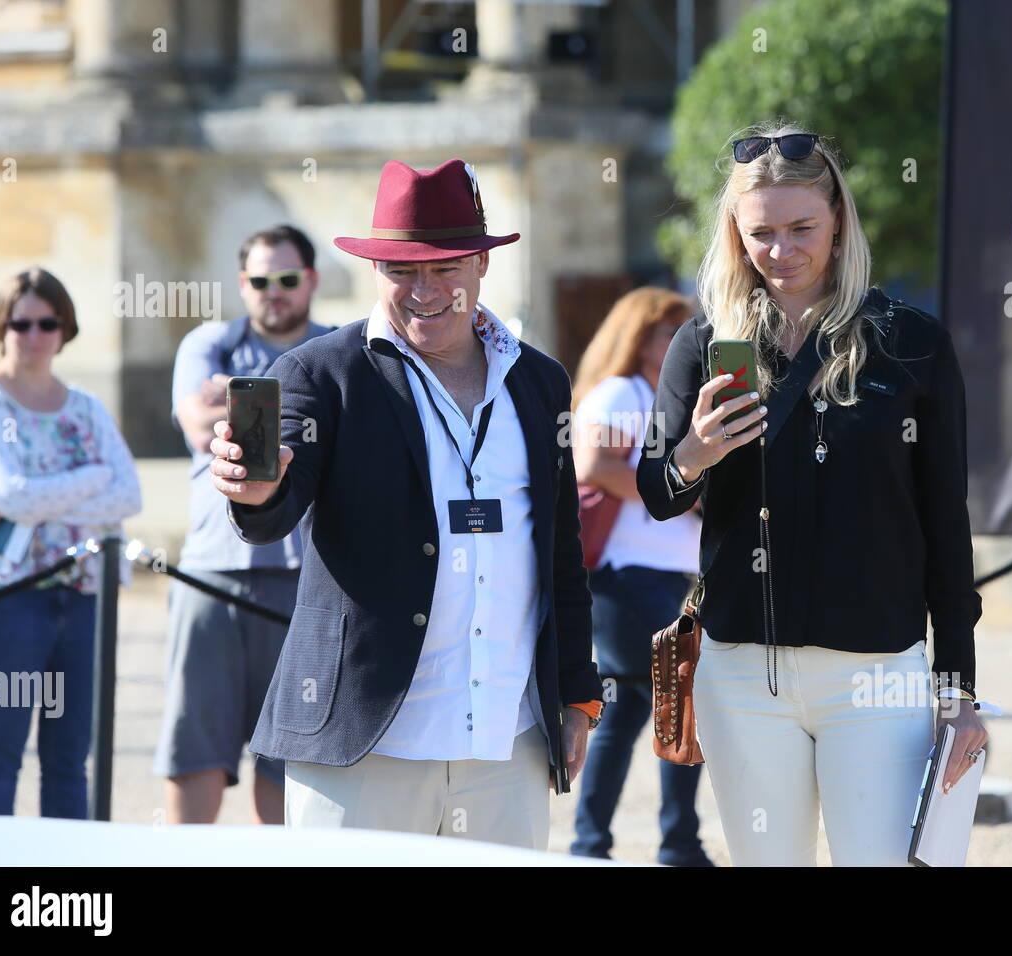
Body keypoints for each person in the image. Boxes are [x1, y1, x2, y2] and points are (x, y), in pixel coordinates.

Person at [208, 158, 603, 848]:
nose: (424, 290)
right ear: (375, 272)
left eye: (445, 268)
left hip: (504, 740)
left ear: (481, 263)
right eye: (401, 271)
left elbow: (559, 553)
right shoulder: (319, 373)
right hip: (364, 742)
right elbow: (272, 510)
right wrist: (256, 488)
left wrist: (576, 692)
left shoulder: (539, 380)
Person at [637, 122, 987, 866]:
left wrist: (958, 690)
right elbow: (657, 492)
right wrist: (695, 451)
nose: (782, 251)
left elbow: (945, 525)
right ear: (735, 232)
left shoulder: (911, 342)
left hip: (878, 674)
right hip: (741, 675)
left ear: (839, 224)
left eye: (803, 228)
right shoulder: (702, 344)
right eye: (761, 232)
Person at [154, 225, 333, 825]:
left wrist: (240, 403)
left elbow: (245, 427)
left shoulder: (336, 348)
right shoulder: (208, 341)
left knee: (288, 757)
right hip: (211, 575)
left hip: (307, 582)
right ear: (242, 285)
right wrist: (294, 416)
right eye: (260, 281)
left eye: (286, 279)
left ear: (310, 281)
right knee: (194, 748)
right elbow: (200, 426)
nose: (273, 293)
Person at [0, 267, 141, 817]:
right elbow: (8, 492)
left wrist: (38, 501)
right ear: (2, 326)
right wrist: (89, 478)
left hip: (85, 595)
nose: (34, 334)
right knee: (0, 755)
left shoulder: (85, 405)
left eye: (47, 322)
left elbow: (128, 495)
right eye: (21, 322)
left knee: (70, 761)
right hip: (5, 598)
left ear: (64, 329)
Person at [567, 287, 713, 866]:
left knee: (641, 714)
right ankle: (667, 843)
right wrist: (676, 491)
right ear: (637, 335)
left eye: (684, 329)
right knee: (666, 707)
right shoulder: (620, 393)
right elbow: (594, 465)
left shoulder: (670, 397)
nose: (679, 340)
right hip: (629, 578)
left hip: (673, 576)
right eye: (665, 329)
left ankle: (601, 845)